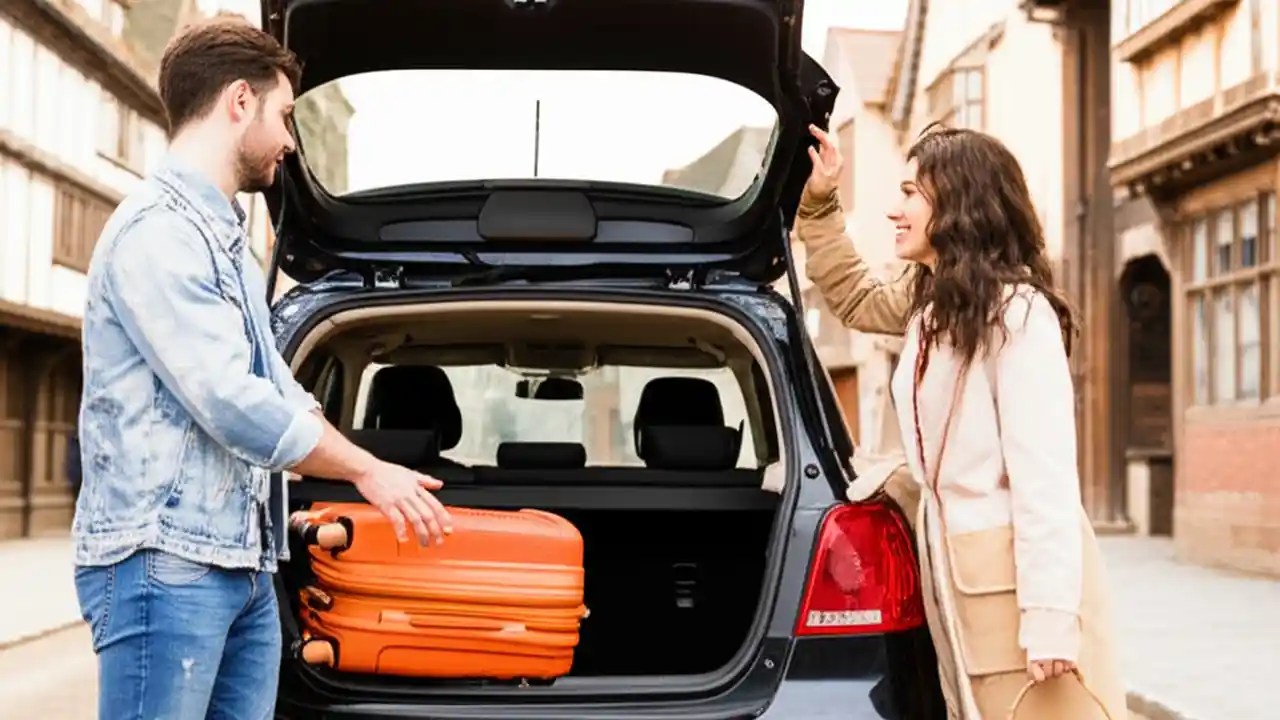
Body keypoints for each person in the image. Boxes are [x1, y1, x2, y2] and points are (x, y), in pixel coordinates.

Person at [71, 17, 453, 720]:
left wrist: (351, 453)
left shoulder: (226, 246)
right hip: (166, 565)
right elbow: (230, 398)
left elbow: (279, 386)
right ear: (239, 102)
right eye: (284, 116)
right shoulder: (159, 231)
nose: (288, 140)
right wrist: (366, 469)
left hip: (240, 566)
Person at [796, 124, 1126, 719]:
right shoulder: (931, 307)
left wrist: (1051, 618)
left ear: (958, 202)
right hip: (955, 576)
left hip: (1014, 585)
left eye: (910, 194)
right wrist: (819, 203)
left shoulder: (1018, 315)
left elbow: (1045, 477)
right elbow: (855, 297)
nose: (894, 211)